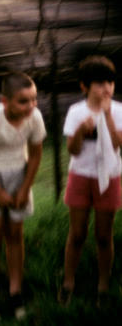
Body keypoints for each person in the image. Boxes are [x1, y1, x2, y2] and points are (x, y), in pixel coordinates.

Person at [0, 72, 45, 322]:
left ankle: (15, 291)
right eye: (23, 101)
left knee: (15, 232)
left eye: (34, 99)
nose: (31, 106)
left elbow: (36, 153)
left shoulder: (34, 118)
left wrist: (25, 188)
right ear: (5, 101)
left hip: (19, 172)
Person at [61, 55, 122, 306]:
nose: (106, 87)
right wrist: (79, 131)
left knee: (103, 236)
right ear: (84, 86)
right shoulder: (76, 111)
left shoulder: (119, 110)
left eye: (110, 81)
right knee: (77, 234)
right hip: (81, 176)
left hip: (109, 176)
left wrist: (106, 117)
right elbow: (72, 150)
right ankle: (68, 282)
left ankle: (104, 285)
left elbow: (118, 145)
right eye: (99, 83)